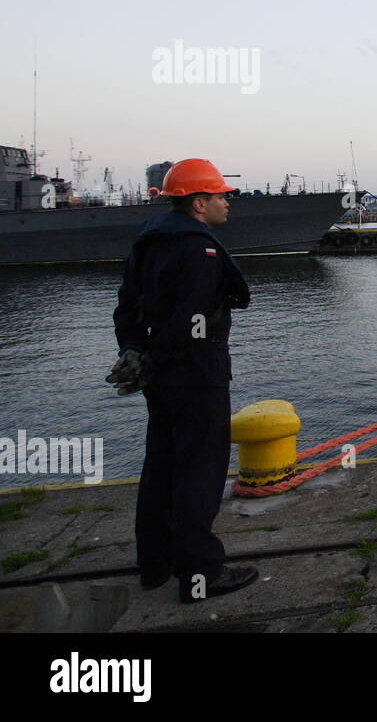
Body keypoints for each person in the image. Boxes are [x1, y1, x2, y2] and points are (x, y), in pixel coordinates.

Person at [108, 158, 258, 604]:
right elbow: (190, 319)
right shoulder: (201, 250)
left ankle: (154, 565)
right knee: (200, 472)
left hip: (163, 379)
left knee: (161, 466)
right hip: (197, 373)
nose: (227, 204)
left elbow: (126, 307)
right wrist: (155, 357)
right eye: (220, 196)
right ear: (198, 203)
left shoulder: (147, 242)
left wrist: (133, 353)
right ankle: (201, 575)